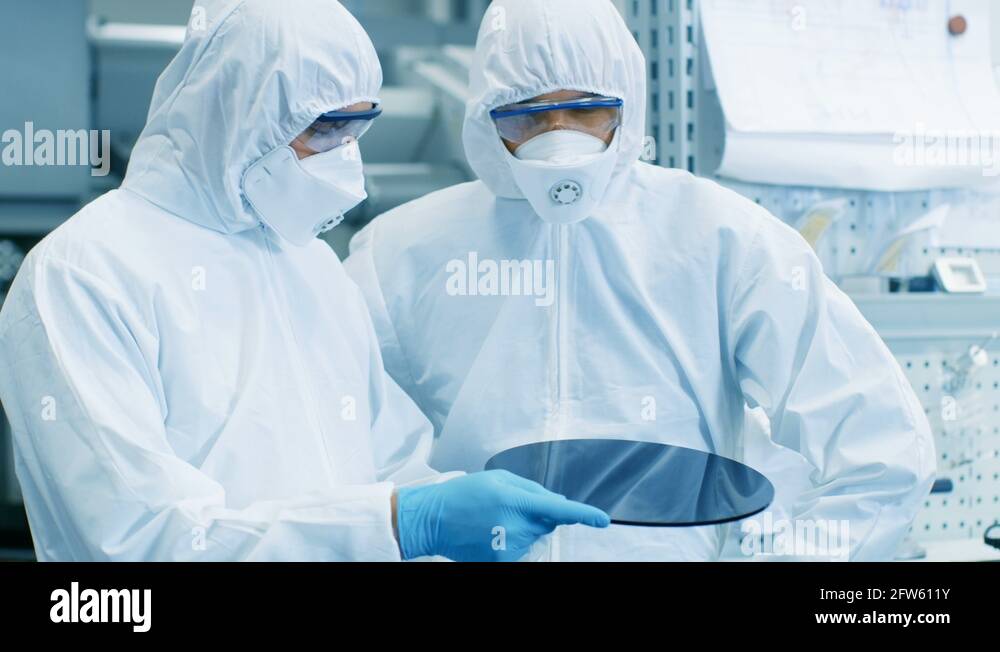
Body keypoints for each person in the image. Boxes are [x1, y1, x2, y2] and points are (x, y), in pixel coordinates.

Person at [0, 0, 610, 562]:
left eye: (355, 129)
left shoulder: (308, 263)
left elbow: (390, 462)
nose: (345, 157)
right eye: (323, 129)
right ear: (236, 110)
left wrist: (459, 508)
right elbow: (138, 539)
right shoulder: (85, 273)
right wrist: (401, 523)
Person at [346, 0, 937, 561]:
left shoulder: (720, 237)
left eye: (585, 109)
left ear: (626, 104)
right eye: (526, 114)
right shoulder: (402, 251)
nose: (559, 137)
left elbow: (882, 449)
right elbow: (353, 452)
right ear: (484, 117)